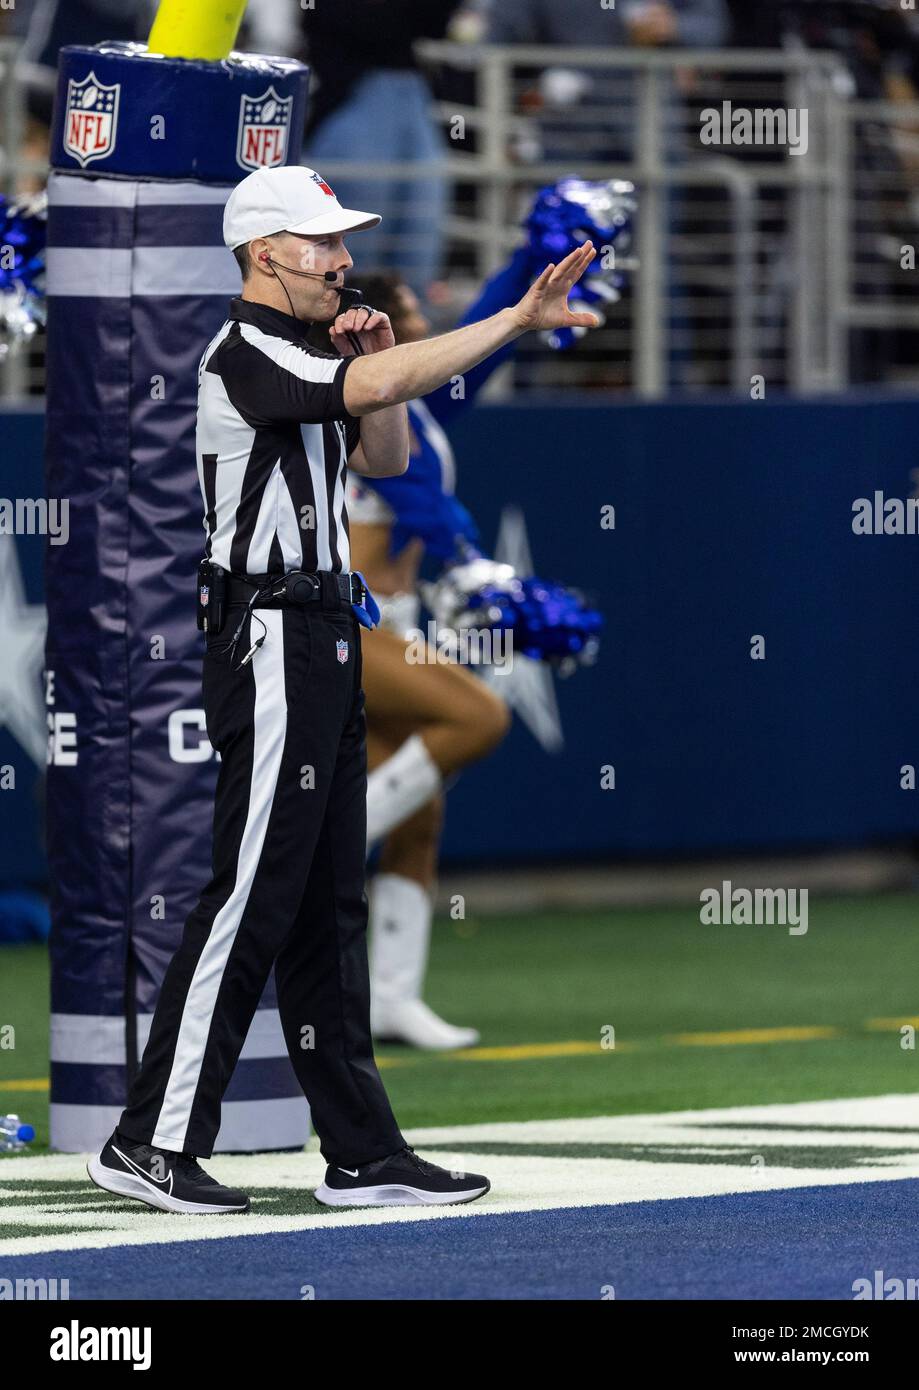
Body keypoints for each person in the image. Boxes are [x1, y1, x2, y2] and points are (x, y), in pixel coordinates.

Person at [86, 163, 599, 1213]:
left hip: (322, 625)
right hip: (268, 630)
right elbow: (375, 392)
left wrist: (370, 355)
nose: (343, 259)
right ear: (264, 252)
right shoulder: (244, 348)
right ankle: (149, 1138)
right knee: (250, 893)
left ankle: (361, 1147)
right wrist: (511, 319)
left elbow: (383, 443)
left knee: (326, 903)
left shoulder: (311, 345)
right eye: (321, 243)